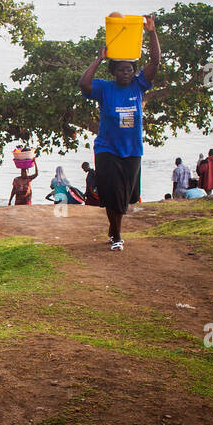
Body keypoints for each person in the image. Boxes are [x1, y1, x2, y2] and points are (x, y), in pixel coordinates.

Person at [80, 15, 160, 251]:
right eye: (121, 69)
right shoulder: (104, 88)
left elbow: (156, 61)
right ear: (114, 71)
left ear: (134, 72)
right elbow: (84, 84)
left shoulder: (139, 85)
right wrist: (98, 59)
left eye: (130, 69)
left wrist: (151, 32)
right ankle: (116, 234)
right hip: (107, 149)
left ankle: (114, 229)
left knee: (126, 196)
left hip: (132, 150)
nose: (126, 72)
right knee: (113, 194)